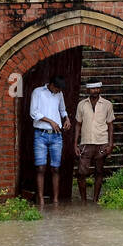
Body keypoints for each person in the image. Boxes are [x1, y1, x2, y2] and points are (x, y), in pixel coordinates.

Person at [73, 81, 115, 203]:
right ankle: (84, 201)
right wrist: (75, 144)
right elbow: (78, 125)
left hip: (102, 143)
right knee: (81, 173)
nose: (95, 91)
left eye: (97, 88)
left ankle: (95, 200)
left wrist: (111, 144)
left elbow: (110, 125)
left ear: (100, 89)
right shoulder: (81, 104)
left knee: (99, 171)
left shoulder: (107, 104)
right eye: (92, 89)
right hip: (86, 143)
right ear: (88, 90)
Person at [30, 76, 69, 206]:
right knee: (41, 168)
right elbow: (33, 113)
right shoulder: (38, 92)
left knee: (55, 168)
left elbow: (62, 110)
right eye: (57, 88)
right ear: (51, 85)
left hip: (56, 136)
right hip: (40, 135)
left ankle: (56, 199)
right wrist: (51, 121)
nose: (58, 91)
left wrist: (67, 118)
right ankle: (40, 199)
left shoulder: (59, 94)